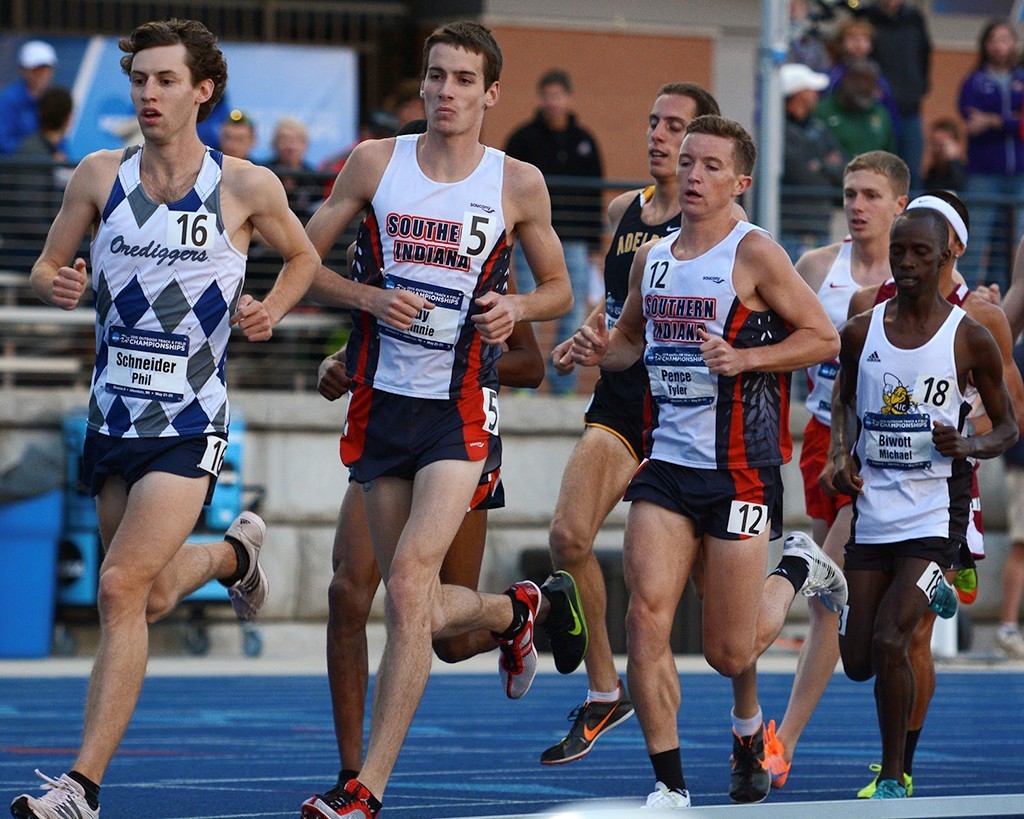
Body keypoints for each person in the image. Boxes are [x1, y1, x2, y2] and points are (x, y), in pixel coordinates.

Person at [9, 19, 321, 819]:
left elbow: (305, 257)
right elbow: (47, 262)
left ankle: (80, 787)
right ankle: (230, 557)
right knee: (141, 602)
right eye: (140, 79)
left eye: (165, 80)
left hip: (189, 418)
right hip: (113, 415)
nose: (149, 93)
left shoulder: (245, 185)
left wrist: (271, 311)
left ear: (202, 90)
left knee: (117, 585)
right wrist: (56, 282)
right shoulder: (97, 175)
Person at [297, 21, 585, 818]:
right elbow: (302, 261)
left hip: (459, 410)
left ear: (492, 93)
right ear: (421, 83)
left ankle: (366, 789)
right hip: (382, 405)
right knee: (406, 599)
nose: (447, 92)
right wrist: (365, 304)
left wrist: (518, 305)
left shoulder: (517, 181)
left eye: (464, 79)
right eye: (436, 76)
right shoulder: (373, 164)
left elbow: (560, 288)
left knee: (411, 586)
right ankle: (516, 607)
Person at [570, 114, 843, 808]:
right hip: (666, 465)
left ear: (740, 181)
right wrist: (602, 350)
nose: (693, 174)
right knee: (645, 619)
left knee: (727, 650)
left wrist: (747, 356)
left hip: (742, 469)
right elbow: (630, 338)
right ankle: (670, 783)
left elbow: (821, 337)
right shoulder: (651, 257)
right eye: (687, 161)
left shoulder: (755, 254)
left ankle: (797, 566)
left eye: (711, 165)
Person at [539, 82, 722, 767]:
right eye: (652, 121)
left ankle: (748, 727)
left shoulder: (719, 232)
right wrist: (583, 337)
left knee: (713, 619)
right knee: (567, 534)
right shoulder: (624, 210)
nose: (657, 135)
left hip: (690, 413)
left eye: (673, 125)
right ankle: (604, 687)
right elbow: (620, 309)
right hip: (622, 400)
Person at [832, 206, 1018, 799]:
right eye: (899, 252)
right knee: (859, 659)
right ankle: (925, 586)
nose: (907, 263)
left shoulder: (970, 336)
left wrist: (968, 442)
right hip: (876, 509)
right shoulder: (862, 330)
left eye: (920, 253)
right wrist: (843, 456)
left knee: (893, 641)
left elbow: (1009, 428)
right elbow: (842, 402)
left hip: (936, 512)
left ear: (944, 259)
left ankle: (893, 776)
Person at [760, 150, 910, 789]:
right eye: (850, 192)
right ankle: (791, 741)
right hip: (824, 435)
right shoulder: (817, 266)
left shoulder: (918, 277)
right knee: (838, 600)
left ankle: (787, 741)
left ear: (900, 205)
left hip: (888, 449)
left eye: (871, 195)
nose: (857, 205)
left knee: (831, 580)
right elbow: (776, 348)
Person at [505, 68, 604, 394]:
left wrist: (593, 242)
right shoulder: (523, 138)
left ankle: (563, 384)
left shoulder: (585, 141)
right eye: (547, 95)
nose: (552, 102)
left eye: (558, 95)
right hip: (527, 241)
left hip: (574, 240)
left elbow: (595, 192)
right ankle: (524, 384)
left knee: (572, 311)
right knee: (525, 306)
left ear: (568, 98)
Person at [957, 19, 1024, 288]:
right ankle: (967, 302)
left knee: (1012, 246)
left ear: (1015, 44)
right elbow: (973, 122)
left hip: (1020, 174)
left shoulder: (1021, 79)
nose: (999, 46)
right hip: (983, 173)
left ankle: (1002, 307)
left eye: (1005, 39)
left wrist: (994, 121)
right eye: (994, 40)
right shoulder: (974, 81)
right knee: (976, 243)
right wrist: (1012, 121)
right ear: (985, 45)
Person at [853, 0, 932, 187]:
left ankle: (912, 216)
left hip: (910, 108)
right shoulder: (865, 17)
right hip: (876, 110)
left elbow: (924, 56)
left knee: (911, 174)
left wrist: (919, 87)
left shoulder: (914, 19)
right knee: (876, 172)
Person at [779, 62, 845, 261]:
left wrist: (819, 166)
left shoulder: (818, 128)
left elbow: (844, 169)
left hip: (820, 224)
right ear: (798, 94)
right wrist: (827, 166)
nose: (817, 94)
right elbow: (799, 175)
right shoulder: (778, 130)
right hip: (789, 227)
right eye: (811, 90)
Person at [996, 340, 1024, 658]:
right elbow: (1015, 410)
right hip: (1022, 464)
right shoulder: (1018, 354)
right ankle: (1007, 626)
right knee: (1021, 544)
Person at [815, 59, 896, 163]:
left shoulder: (881, 113)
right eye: (861, 81)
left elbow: (890, 156)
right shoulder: (822, 111)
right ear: (846, 79)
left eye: (871, 82)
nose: (865, 87)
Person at [0, 39, 58, 156]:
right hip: (14, 169)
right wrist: (40, 153)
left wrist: (57, 154)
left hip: (44, 166)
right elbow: (4, 142)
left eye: (46, 69)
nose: (42, 74)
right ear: (23, 70)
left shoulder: (53, 100)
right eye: (36, 69)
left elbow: (58, 139)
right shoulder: (8, 99)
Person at [263, 116, 320, 220]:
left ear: (305, 144)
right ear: (274, 143)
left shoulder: (315, 178)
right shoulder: (263, 173)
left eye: (295, 140)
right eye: (284, 139)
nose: (290, 146)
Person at [922, 118, 968, 192]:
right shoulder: (932, 174)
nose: (936, 149)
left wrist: (953, 160)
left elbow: (961, 188)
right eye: (934, 143)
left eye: (941, 144)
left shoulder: (966, 172)